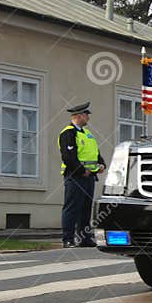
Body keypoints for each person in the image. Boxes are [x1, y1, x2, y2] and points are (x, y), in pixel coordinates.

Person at [59, 102, 105, 248]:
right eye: (86, 115)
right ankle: (68, 239)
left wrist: (102, 163)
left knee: (86, 208)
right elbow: (68, 157)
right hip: (75, 176)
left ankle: (84, 237)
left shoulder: (87, 134)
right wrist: (81, 170)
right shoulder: (68, 133)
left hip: (89, 176)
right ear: (79, 116)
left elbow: (95, 152)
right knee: (72, 208)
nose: (88, 118)